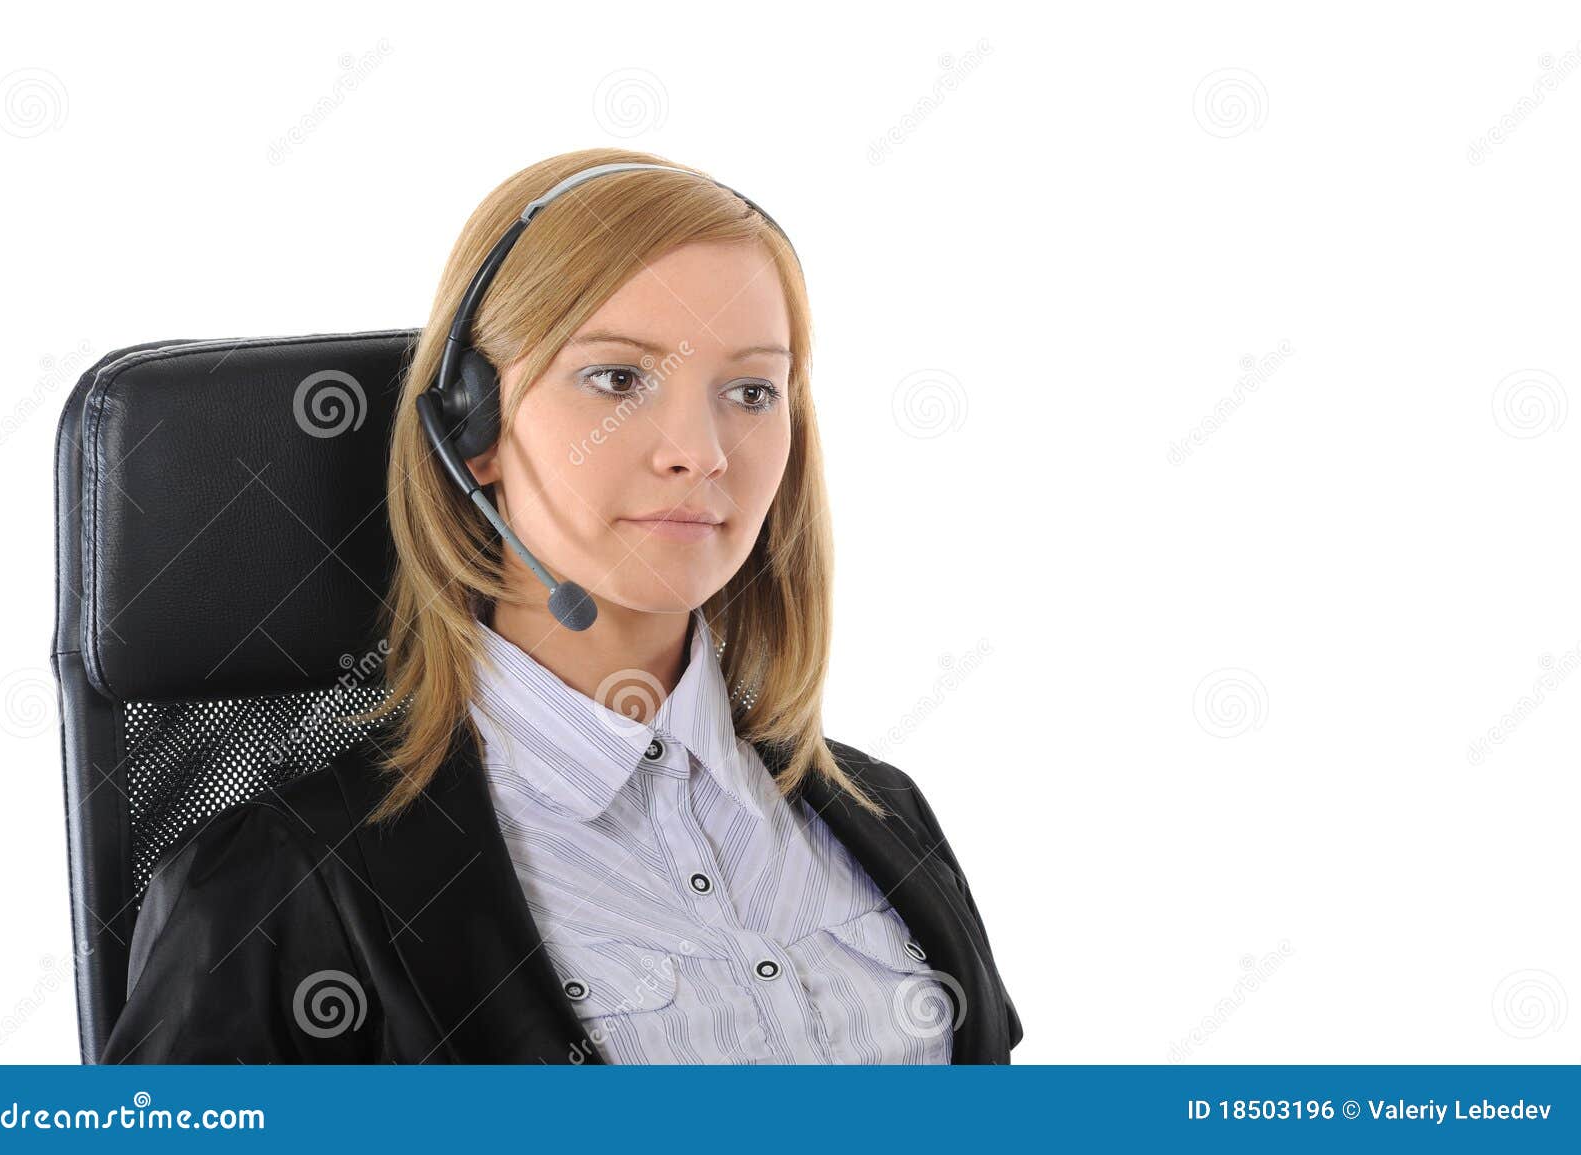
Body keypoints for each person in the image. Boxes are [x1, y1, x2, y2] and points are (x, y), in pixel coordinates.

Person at [101, 148, 1022, 1064]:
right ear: (474, 424)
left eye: (750, 390)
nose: (699, 452)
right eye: (619, 379)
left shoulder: (883, 814)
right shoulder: (277, 887)